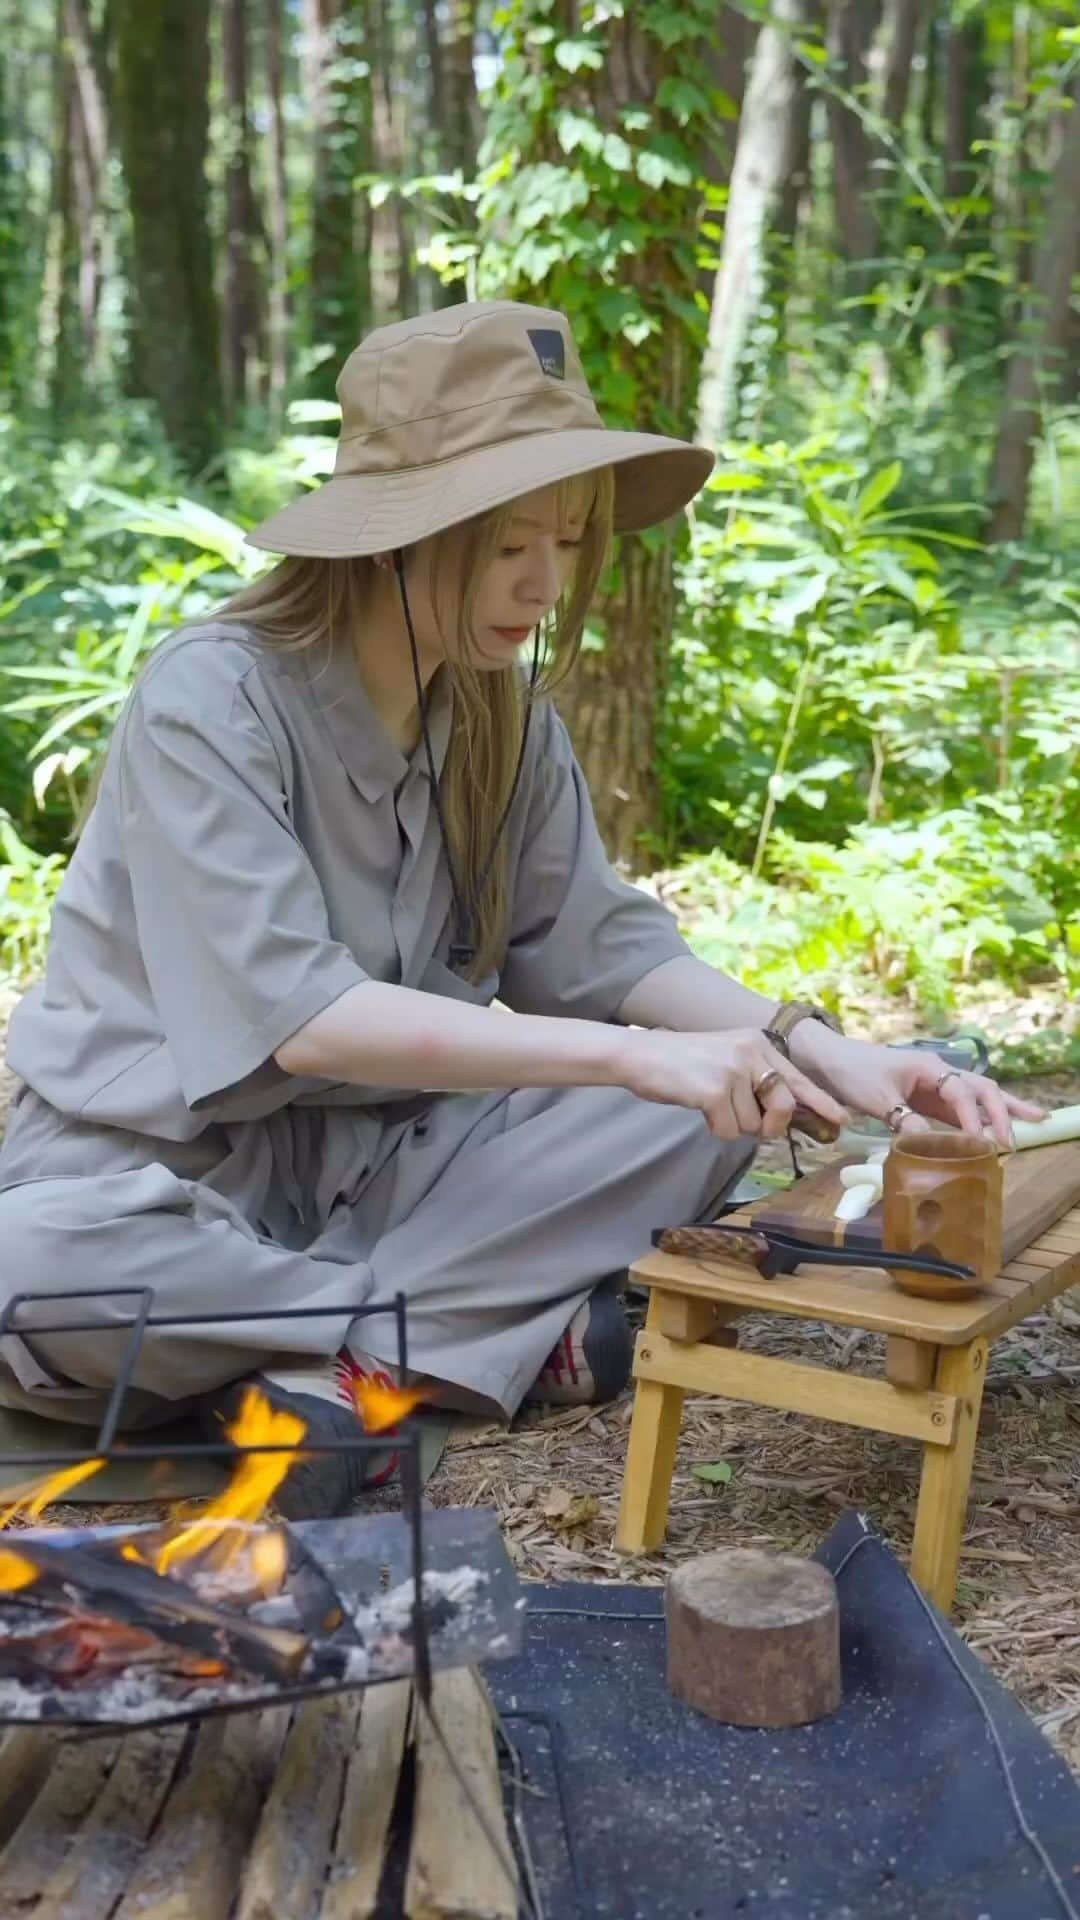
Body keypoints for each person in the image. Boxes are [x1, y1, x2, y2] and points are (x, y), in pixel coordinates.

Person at [0, 301, 1042, 1518]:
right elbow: (308, 1022)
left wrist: (819, 1047)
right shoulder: (211, 701)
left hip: (387, 1161)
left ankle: (328, 1357)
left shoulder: (504, 720)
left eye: (567, 540)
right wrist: (629, 1058)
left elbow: (602, 951)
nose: (543, 585)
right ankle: (441, 1334)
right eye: (505, 546)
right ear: (394, 536)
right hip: (152, 1175)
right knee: (35, 1270)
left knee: (708, 1108)